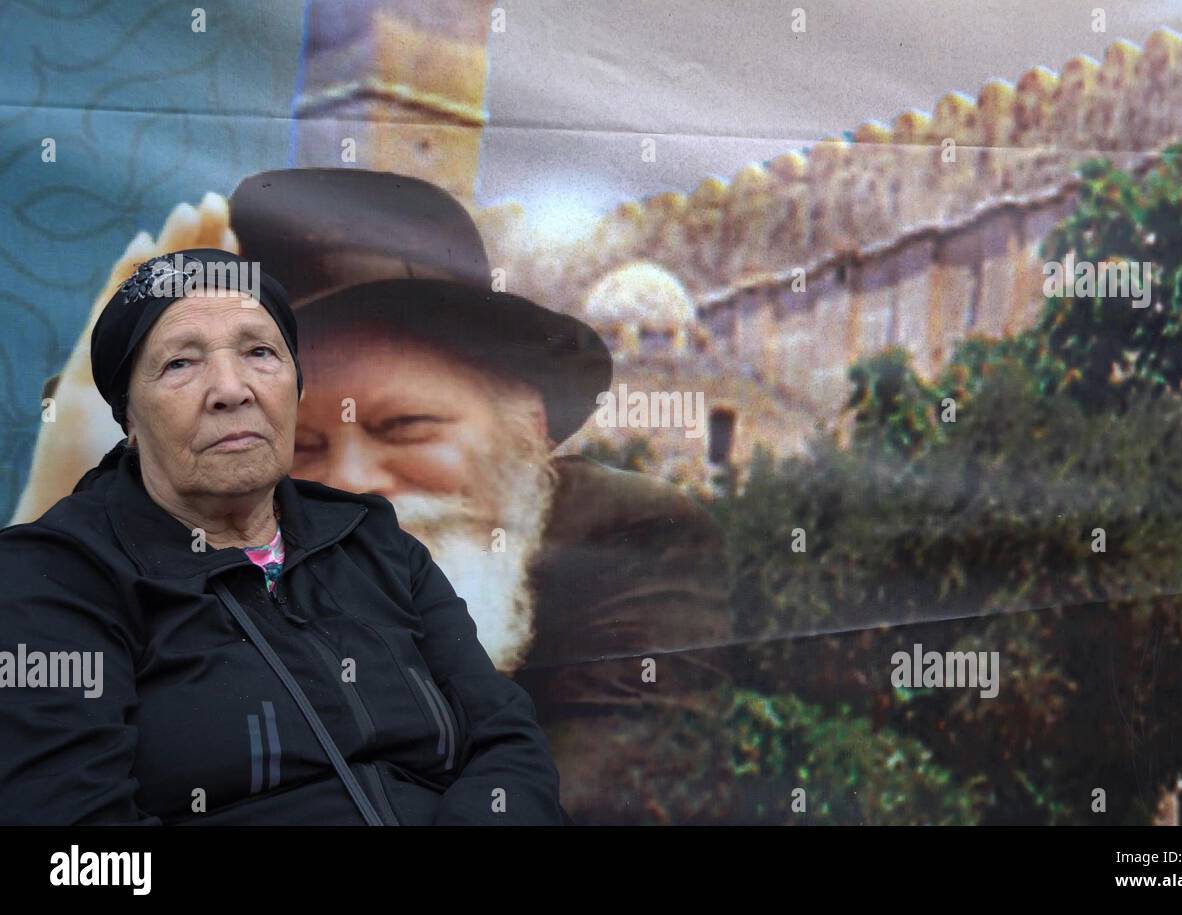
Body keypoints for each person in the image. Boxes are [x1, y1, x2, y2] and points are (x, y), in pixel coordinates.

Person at [11, 169, 736, 824]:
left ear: (527, 426)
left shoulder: (627, 539)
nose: (355, 479)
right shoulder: (130, 558)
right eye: (308, 445)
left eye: (406, 427)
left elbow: (566, 784)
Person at [0, 248, 567, 825]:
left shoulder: (372, 540)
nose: (231, 389)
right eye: (179, 364)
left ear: (294, 390)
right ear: (130, 421)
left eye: (259, 352)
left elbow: (506, 740)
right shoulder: (53, 575)